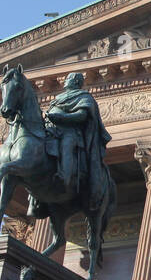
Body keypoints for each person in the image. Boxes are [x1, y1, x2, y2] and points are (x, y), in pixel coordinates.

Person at [45, 72, 111, 211]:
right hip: (54, 131)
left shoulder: (84, 97)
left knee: (66, 146)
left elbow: (81, 115)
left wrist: (61, 117)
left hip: (71, 133)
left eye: (68, 79)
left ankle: (64, 177)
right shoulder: (57, 99)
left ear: (75, 81)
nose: (64, 81)